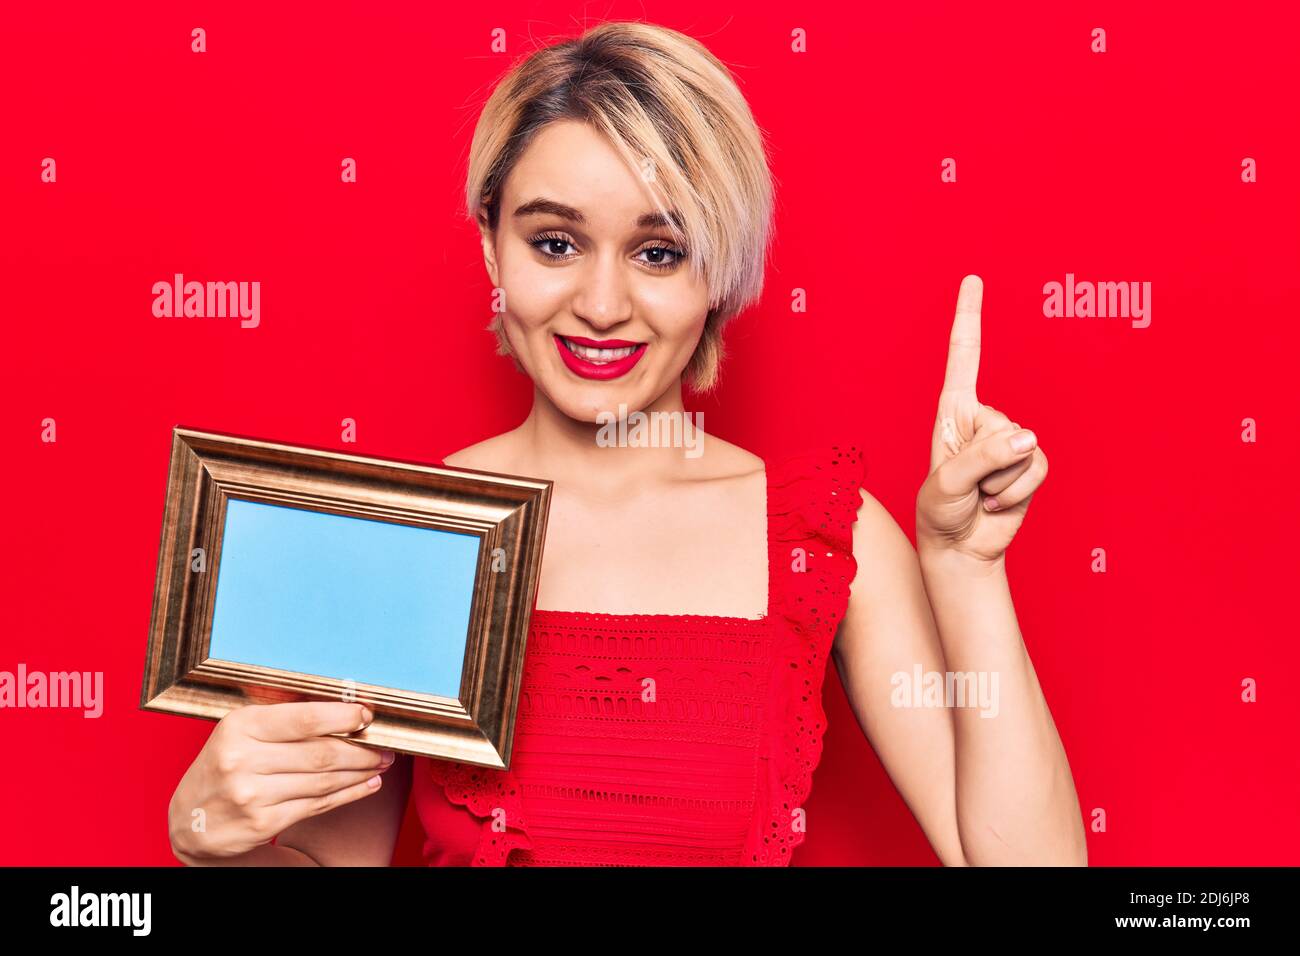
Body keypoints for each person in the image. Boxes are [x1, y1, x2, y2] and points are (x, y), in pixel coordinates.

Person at [167, 20, 1086, 867]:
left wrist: (965, 568)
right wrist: (212, 835)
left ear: (721, 273)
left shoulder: (821, 536)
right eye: (556, 242)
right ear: (493, 250)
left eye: (658, 252)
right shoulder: (407, 537)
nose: (602, 305)